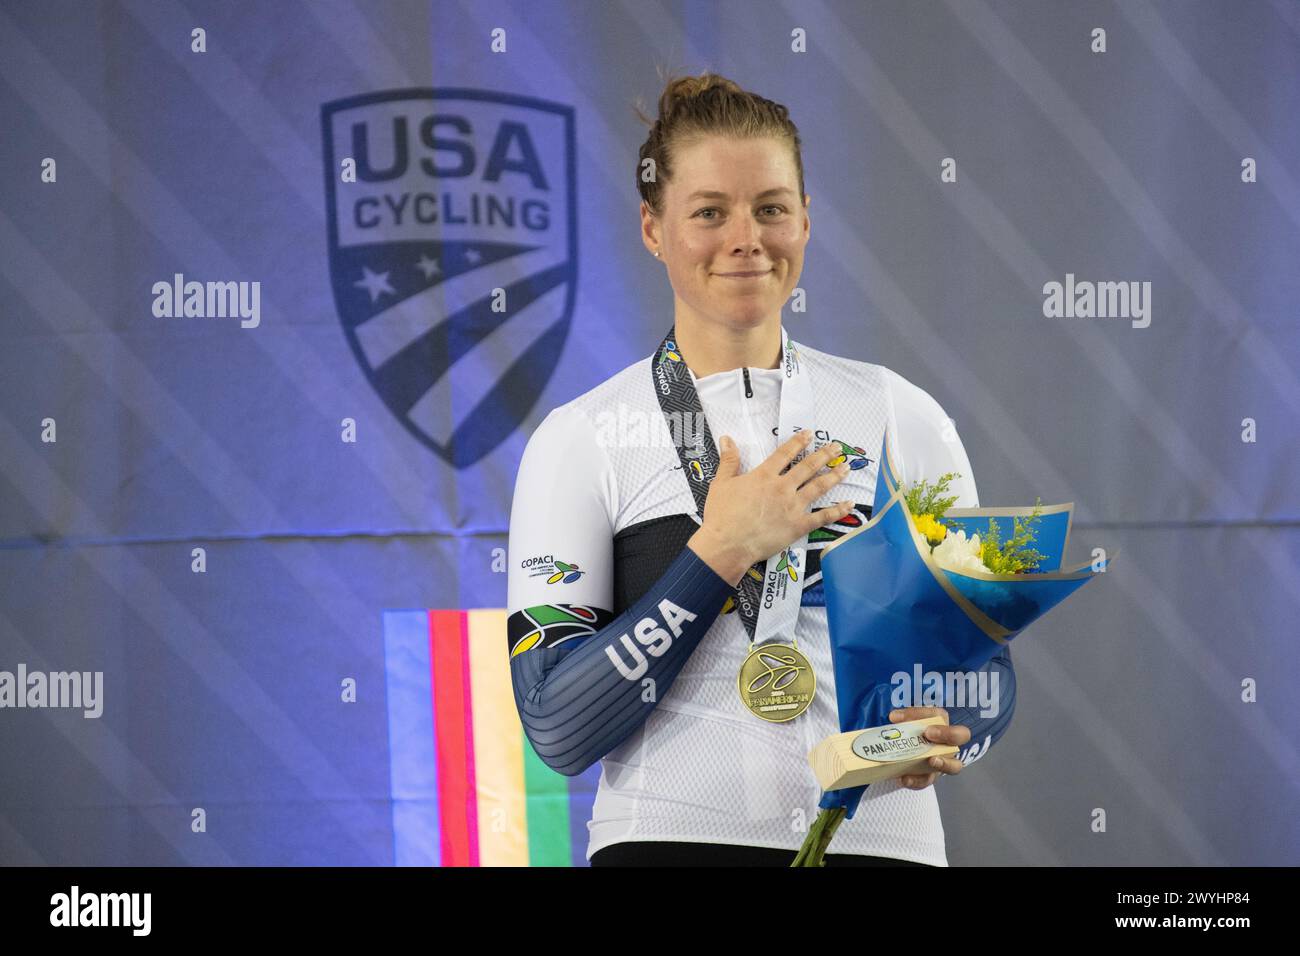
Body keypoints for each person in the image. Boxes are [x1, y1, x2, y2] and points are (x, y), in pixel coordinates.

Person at [506, 71, 1015, 867]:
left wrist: (943, 724)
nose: (746, 236)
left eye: (771, 208)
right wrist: (718, 552)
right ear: (651, 227)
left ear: (806, 220)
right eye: (710, 212)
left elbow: (976, 676)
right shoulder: (581, 439)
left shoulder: (899, 416)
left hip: (879, 844)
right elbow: (557, 727)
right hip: (668, 842)